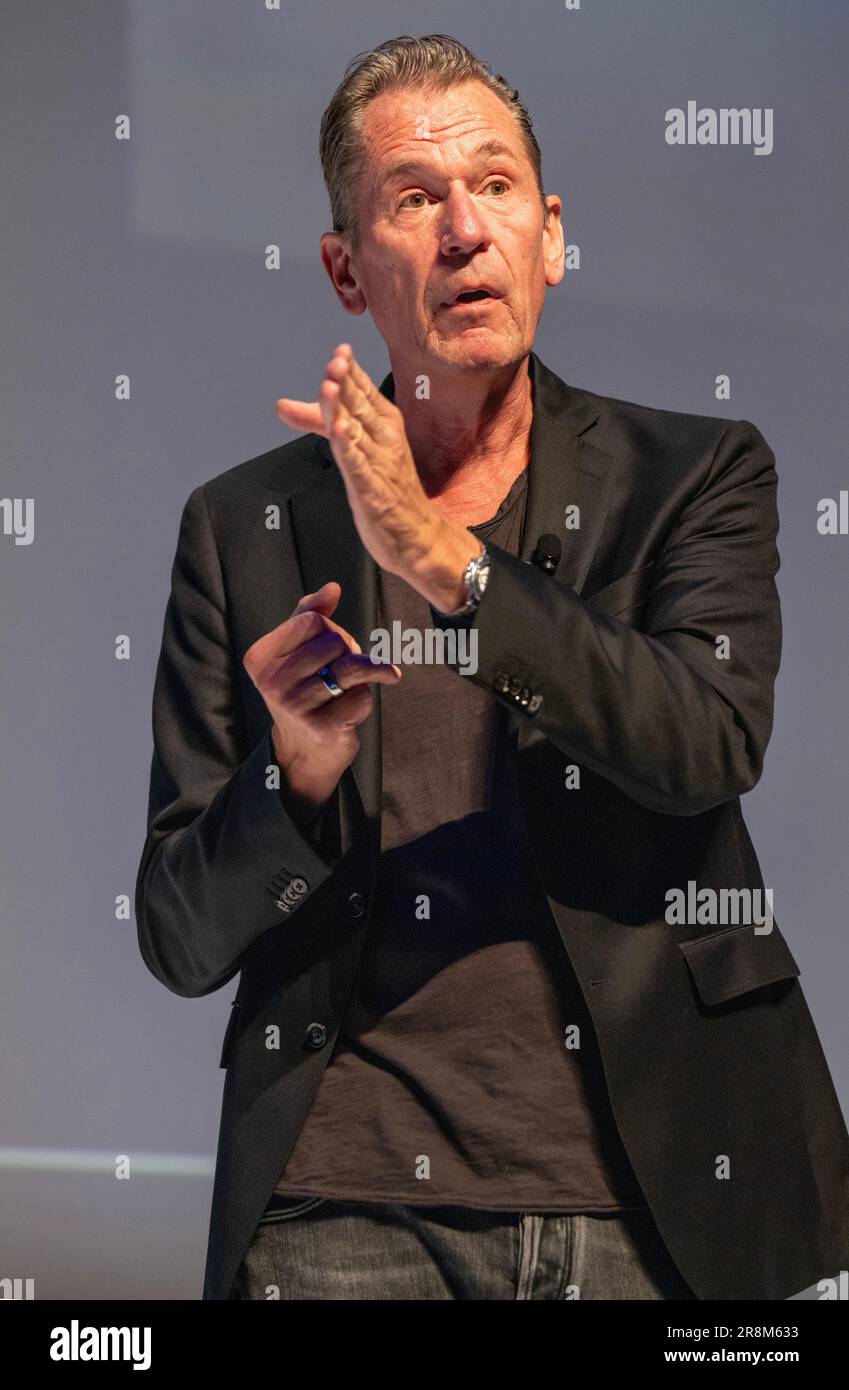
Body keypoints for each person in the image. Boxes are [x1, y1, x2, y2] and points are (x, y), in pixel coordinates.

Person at [135, 34, 849, 1300]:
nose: (467, 228)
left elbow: (706, 743)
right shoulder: (240, 527)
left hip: (654, 1203)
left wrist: (442, 558)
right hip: (339, 1215)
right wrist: (293, 781)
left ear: (553, 234)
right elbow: (182, 936)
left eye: (498, 185)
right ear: (348, 272)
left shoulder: (693, 476)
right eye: (415, 198)